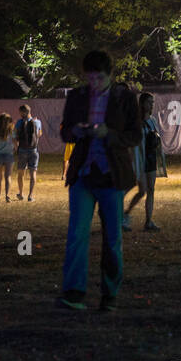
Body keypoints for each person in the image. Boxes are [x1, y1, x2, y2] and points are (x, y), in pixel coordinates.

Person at [57, 51, 141, 311]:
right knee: (77, 234)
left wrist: (109, 134)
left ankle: (109, 293)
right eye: (90, 77)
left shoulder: (125, 98)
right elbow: (65, 132)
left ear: (110, 75)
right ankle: (73, 292)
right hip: (83, 173)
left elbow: (135, 135)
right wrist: (76, 131)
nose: (94, 82)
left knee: (112, 238)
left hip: (111, 176)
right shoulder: (77, 97)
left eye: (99, 77)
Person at [124, 92, 164, 232]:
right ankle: (125, 214)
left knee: (150, 190)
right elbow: (135, 143)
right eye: (149, 102)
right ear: (142, 104)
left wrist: (156, 142)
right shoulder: (137, 122)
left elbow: (156, 139)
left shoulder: (152, 121)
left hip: (150, 158)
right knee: (141, 190)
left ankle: (148, 221)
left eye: (152, 102)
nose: (151, 105)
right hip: (140, 159)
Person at [14, 104, 42, 202]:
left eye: (20, 113)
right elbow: (39, 135)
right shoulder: (37, 122)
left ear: (24, 112)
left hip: (22, 150)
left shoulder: (19, 123)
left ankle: (21, 194)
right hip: (34, 150)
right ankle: (30, 196)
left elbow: (14, 137)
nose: (20, 114)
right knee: (33, 173)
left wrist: (16, 147)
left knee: (21, 172)